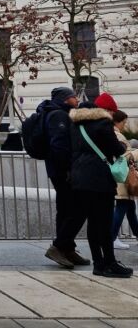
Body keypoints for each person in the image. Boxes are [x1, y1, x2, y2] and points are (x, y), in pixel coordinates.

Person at [69, 93, 132, 278]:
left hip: (79, 178)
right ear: (107, 111)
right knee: (104, 223)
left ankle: (98, 264)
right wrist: (120, 145)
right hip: (99, 180)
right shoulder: (103, 124)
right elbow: (117, 149)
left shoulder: (76, 125)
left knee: (92, 223)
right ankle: (110, 263)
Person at [39, 87, 90, 269]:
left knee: (66, 209)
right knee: (79, 208)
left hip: (60, 170)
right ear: (65, 99)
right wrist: (68, 169)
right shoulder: (58, 116)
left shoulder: (56, 113)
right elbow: (59, 146)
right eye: (73, 97)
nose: (77, 100)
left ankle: (67, 248)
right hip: (63, 172)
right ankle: (59, 246)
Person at [112, 109, 138, 249]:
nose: (124, 125)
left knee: (130, 208)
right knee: (122, 206)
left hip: (121, 177)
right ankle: (112, 237)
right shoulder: (117, 135)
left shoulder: (115, 134)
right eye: (124, 122)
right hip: (121, 178)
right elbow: (125, 156)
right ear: (117, 121)